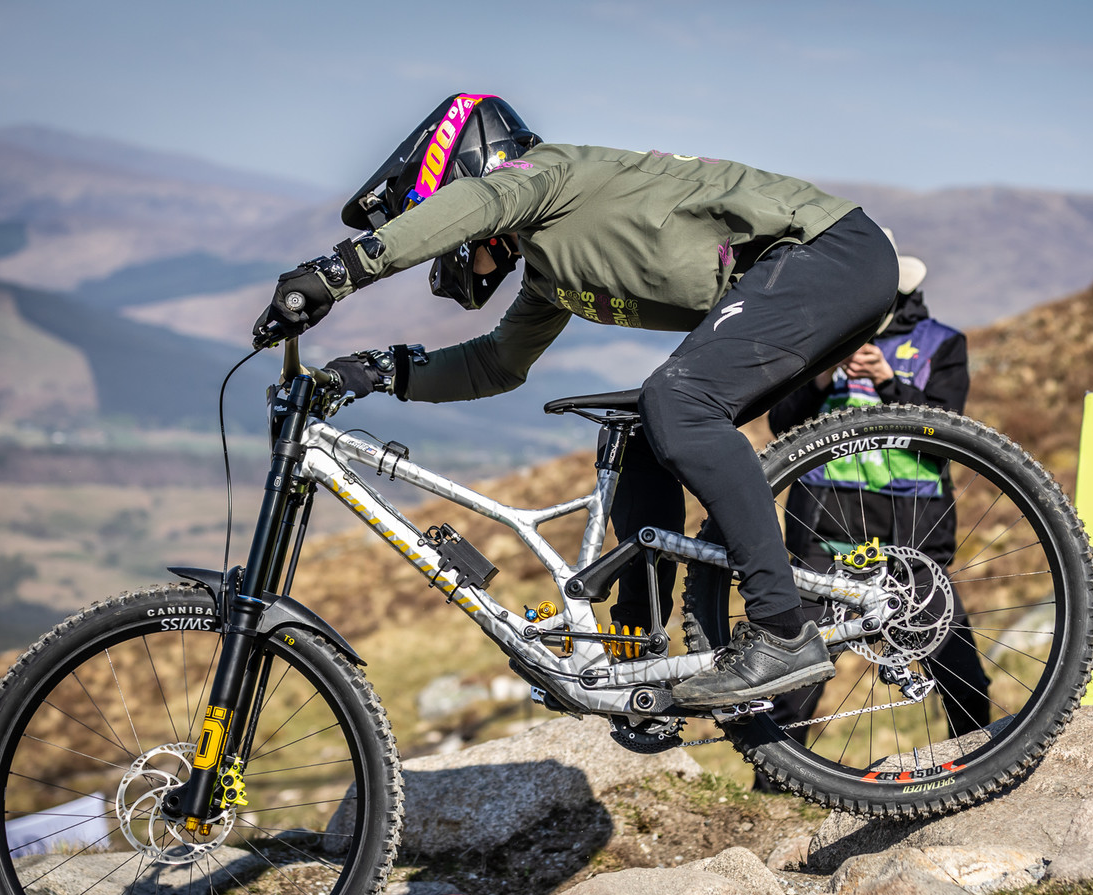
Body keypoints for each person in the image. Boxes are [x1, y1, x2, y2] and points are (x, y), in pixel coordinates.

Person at [252, 93, 898, 708]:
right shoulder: (550, 266)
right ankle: (637, 657)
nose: (454, 257)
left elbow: (473, 207)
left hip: (827, 253)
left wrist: (335, 274)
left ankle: (782, 628)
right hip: (814, 271)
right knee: (644, 431)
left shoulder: (546, 174)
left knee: (676, 402)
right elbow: (497, 363)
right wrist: (374, 371)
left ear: (469, 174)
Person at [762, 244, 993, 760]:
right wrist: (823, 375)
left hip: (915, 529)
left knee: (955, 661)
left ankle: (979, 759)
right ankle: (772, 781)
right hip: (825, 524)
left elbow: (949, 428)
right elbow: (781, 426)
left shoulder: (942, 344)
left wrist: (890, 383)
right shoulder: (823, 339)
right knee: (797, 664)